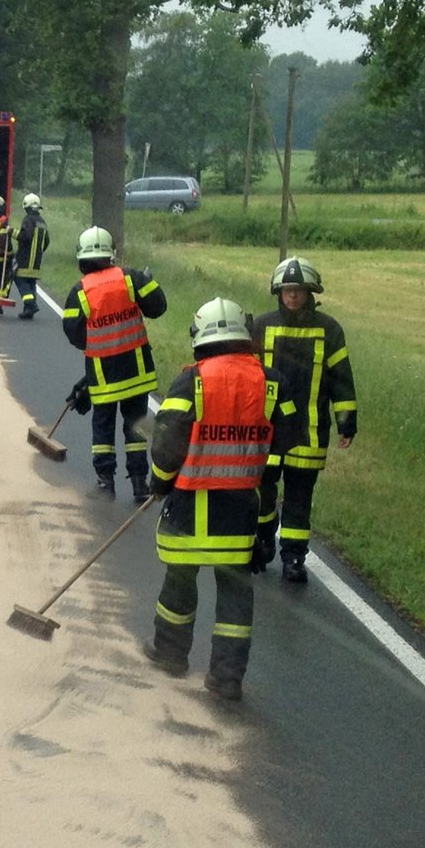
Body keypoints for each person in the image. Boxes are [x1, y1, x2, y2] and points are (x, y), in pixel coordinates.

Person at [144, 298, 301, 700]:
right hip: (239, 513)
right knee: (235, 597)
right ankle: (226, 679)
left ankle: (170, 656)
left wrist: (159, 482)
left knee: (179, 585)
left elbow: (166, 448)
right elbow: (288, 438)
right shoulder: (272, 382)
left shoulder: (190, 381)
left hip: (189, 512)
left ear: (201, 336)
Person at [248, 256, 358, 585]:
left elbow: (342, 380)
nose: (292, 296)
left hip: (309, 432)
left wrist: (346, 422)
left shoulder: (329, 329)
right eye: (287, 290)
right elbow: (247, 376)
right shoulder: (262, 327)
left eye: (298, 290)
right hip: (267, 431)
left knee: (299, 497)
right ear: (277, 292)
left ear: (310, 291)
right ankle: (265, 536)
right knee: (262, 491)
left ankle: (294, 558)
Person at [60, 226, 168, 500]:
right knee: (137, 427)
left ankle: (105, 482)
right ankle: (139, 483)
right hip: (137, 373)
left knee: (103, 428)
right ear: (111, 253)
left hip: (103, 376)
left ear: (82, 257)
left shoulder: (79, 291)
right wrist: (147, 281)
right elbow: (158, 307)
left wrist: (95, 346)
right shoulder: (131, 278)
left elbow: (73, 332)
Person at [11, 194, 49, 319]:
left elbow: (25, 237)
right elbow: (47, 241)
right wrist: (39, 252)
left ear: (27, 207)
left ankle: (30, 304)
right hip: (36, 262)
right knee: (31, 283)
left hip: (25, 259)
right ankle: (28, 310)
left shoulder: (28, 220)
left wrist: (12, 232)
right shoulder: (42, 222)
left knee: (20, 280)